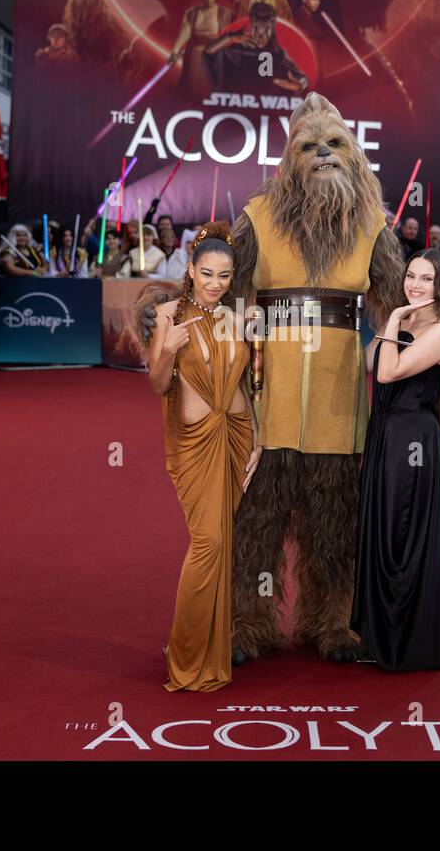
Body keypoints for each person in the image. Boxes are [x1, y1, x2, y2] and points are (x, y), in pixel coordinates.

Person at [352, 248, 440, 671]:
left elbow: (389, 373)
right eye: (412, 275)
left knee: (402, 537)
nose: (415, 285)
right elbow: (369, 362)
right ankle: (379, 636)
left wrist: (390, 321)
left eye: (426, 279)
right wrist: (395, 321)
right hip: (384, 433)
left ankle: (406, 646)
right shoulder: (407, 319)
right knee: (381, 533)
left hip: (413, 442)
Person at [141, 222, 260, 692]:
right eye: (207, 273)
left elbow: (246, 388)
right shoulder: (168, 314)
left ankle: (210, 645)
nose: (215, 284)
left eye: (225, 276)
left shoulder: (234, 318)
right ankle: (186, 654)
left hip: (236, 437)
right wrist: (166, 351)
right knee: (208, 543)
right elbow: (156, 384)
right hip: (193, 445)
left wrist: (259, 439)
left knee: (223, 542)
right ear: (190, 270)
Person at [168, 0, 232, 101]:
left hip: (215, 58)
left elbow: (229, 37)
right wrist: (174, 52)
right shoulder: (192, 13)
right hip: (195, 58)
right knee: (194, 92)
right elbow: (184, 34)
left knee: (213, 91)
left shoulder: (224, 14)